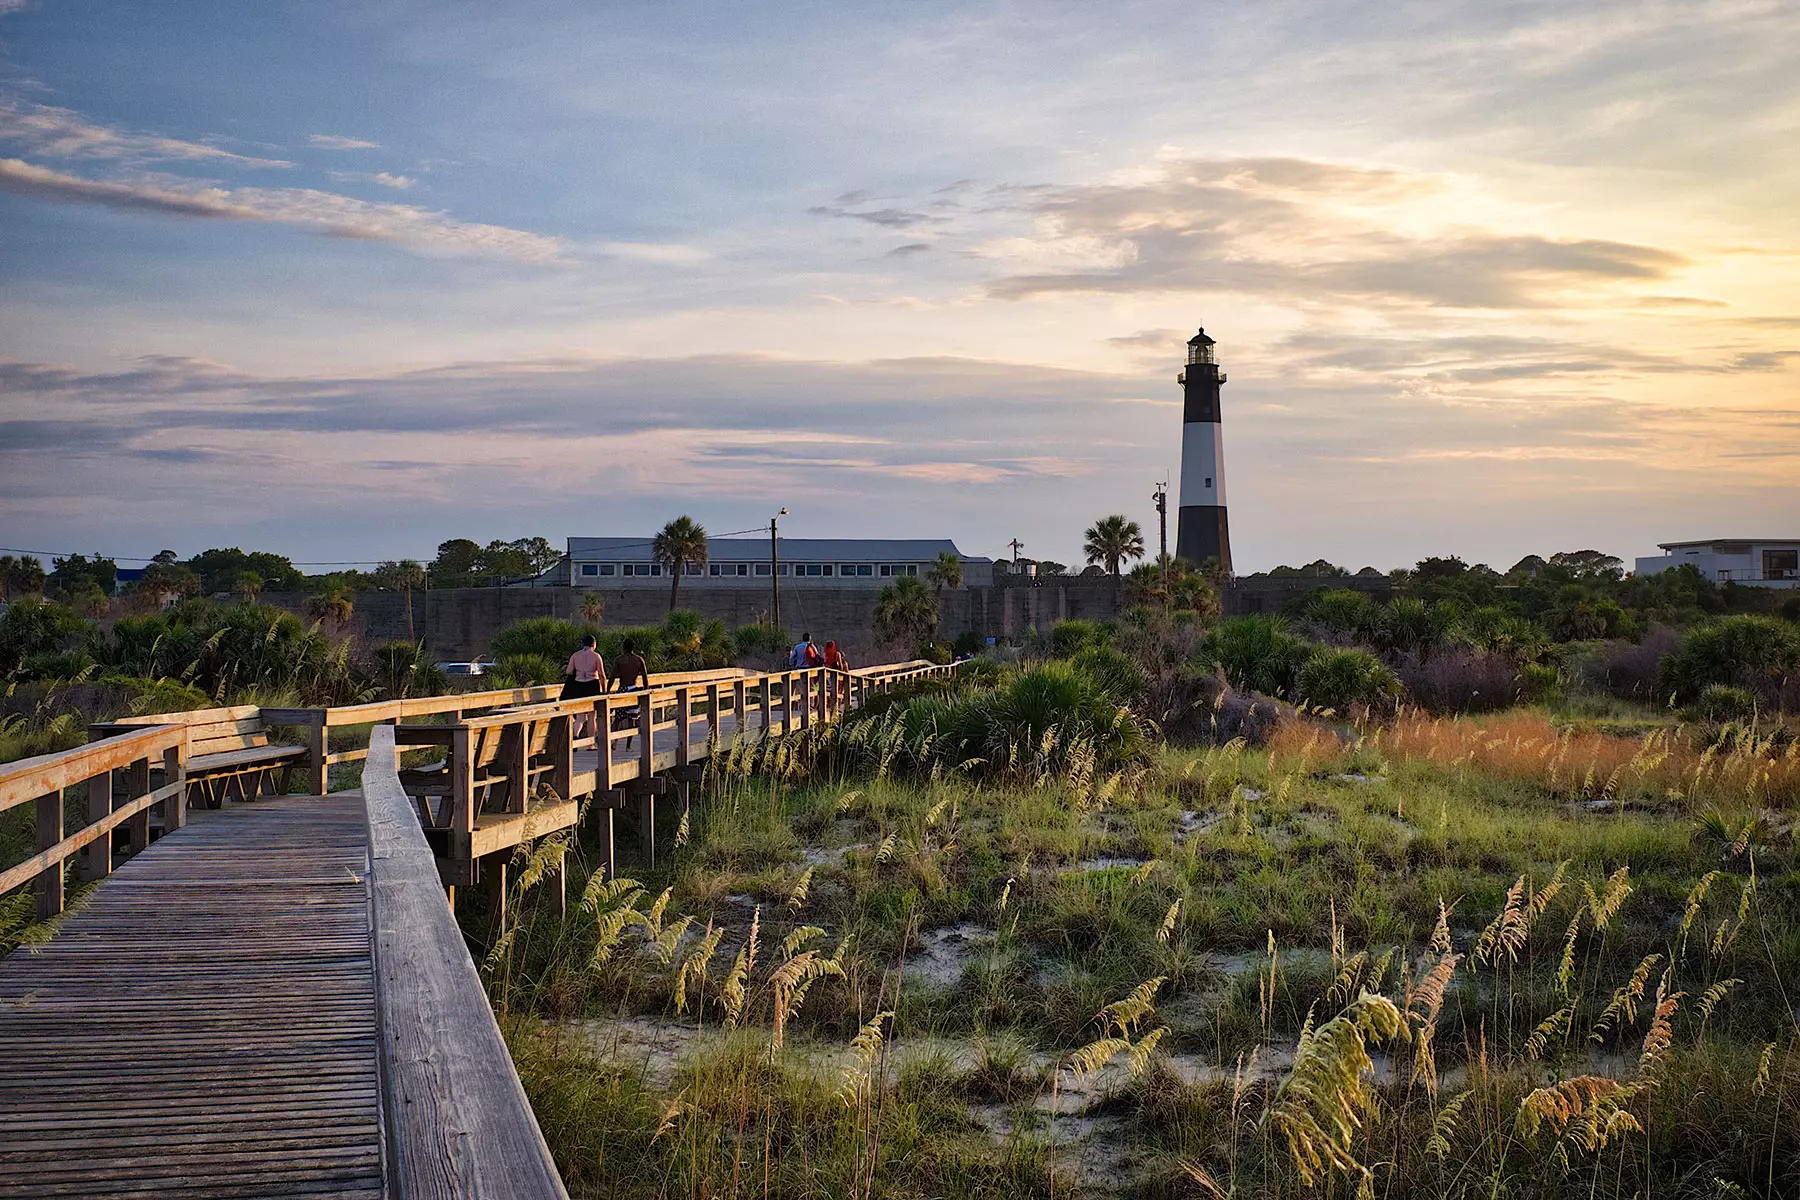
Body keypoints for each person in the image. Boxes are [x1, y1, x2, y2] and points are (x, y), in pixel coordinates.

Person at [562, 634, 607, 739]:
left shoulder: (575, 655)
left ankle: (575, 735)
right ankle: (591, 744)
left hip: (579, 685)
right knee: (591, 716)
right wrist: (604, 690)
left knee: (579, 716)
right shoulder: (596, 656)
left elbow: (568, 671)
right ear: (594, 644)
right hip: (592, 684)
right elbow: (602, 675)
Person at [610, 638, 650, 748]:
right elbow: (645, 677)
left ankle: (614, 742)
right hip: (633, 690)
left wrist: (607, 691)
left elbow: (612, 677)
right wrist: (646, 690)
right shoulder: (639, 660)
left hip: (622, 690)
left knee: (618, 718)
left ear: (623, 648)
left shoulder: (619, 660)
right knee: (632, 719)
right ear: (633, 648)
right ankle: (628, 745)